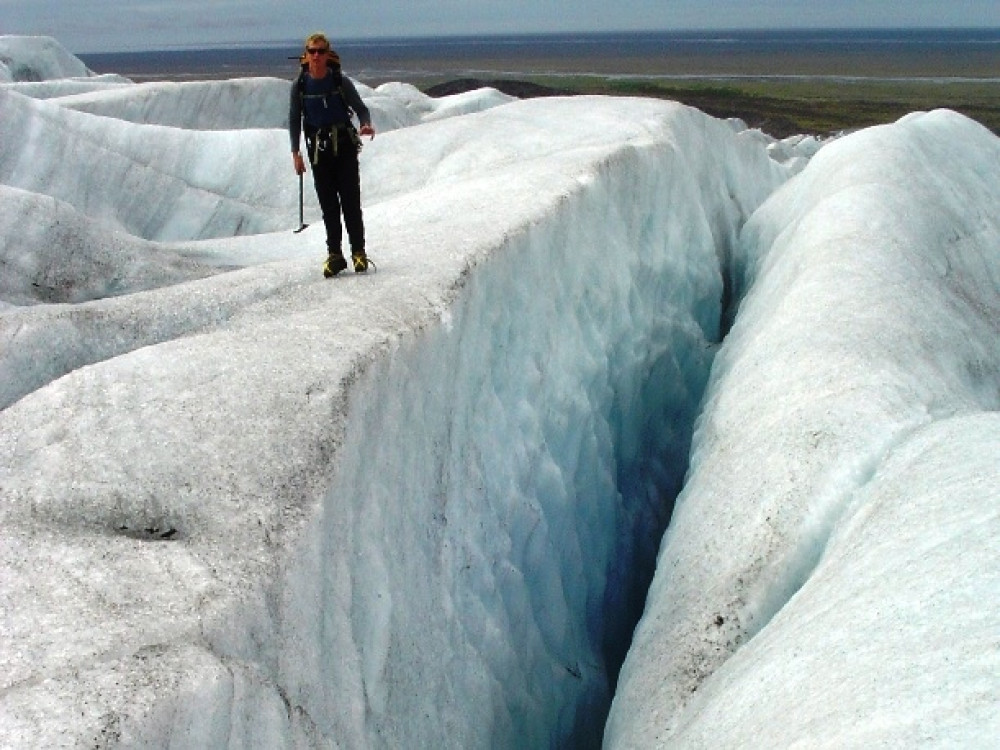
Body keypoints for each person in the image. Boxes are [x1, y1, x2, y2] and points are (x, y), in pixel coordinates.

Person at [289, 32, 376, 277]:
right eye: (312, 51)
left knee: (350, 202)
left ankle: (358, 253)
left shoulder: (340, 82)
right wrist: (295, 153)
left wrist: (365, 124)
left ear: (328, 54)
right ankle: (335, 255)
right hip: (319, 152)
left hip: (345, 149)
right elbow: (294, 119)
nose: (316, 56)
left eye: (321, 51)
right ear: (306, 55)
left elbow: (361, 108)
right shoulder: (300, 86)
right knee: (329, 205)